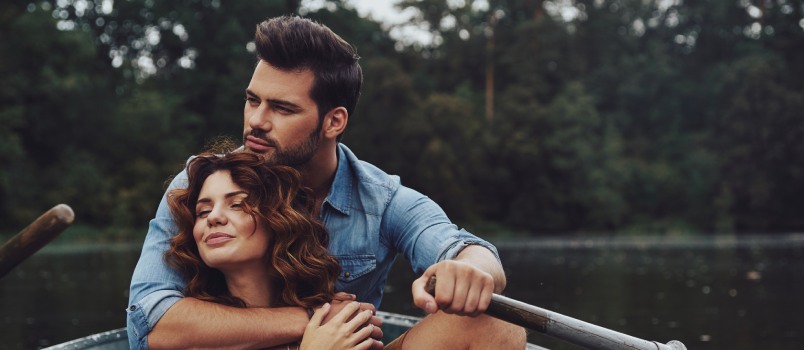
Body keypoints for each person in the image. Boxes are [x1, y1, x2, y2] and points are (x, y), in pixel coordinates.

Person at [127, 15, 526, 349]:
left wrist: (470, 270)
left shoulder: (383, 200)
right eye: (252, 100)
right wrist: (312, 321)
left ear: (334, 121)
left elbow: (462, 247)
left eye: (282, 108)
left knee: (497, 321)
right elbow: (150, 322)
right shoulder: (204, 182)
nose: (256, 122)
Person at [164, 149, 376, 350]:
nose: (213, 217)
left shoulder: (337, 324)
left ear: (279, 220)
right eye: (203, 211)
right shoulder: (188, 334)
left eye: (237, 205)